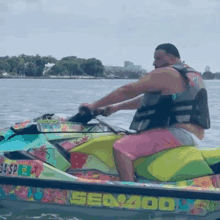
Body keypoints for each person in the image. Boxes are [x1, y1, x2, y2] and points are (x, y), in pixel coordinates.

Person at [80, 43, 210, 182]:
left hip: (178, 133)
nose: (154, 63)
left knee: (121, 147)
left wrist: (94, 105)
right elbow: (147, 100)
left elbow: (127, 90)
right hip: (193, 135)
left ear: (172, 58)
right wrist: (116, 107)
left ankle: (129, 194)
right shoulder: (189, 74)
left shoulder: (168, 73)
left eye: (158, 58)